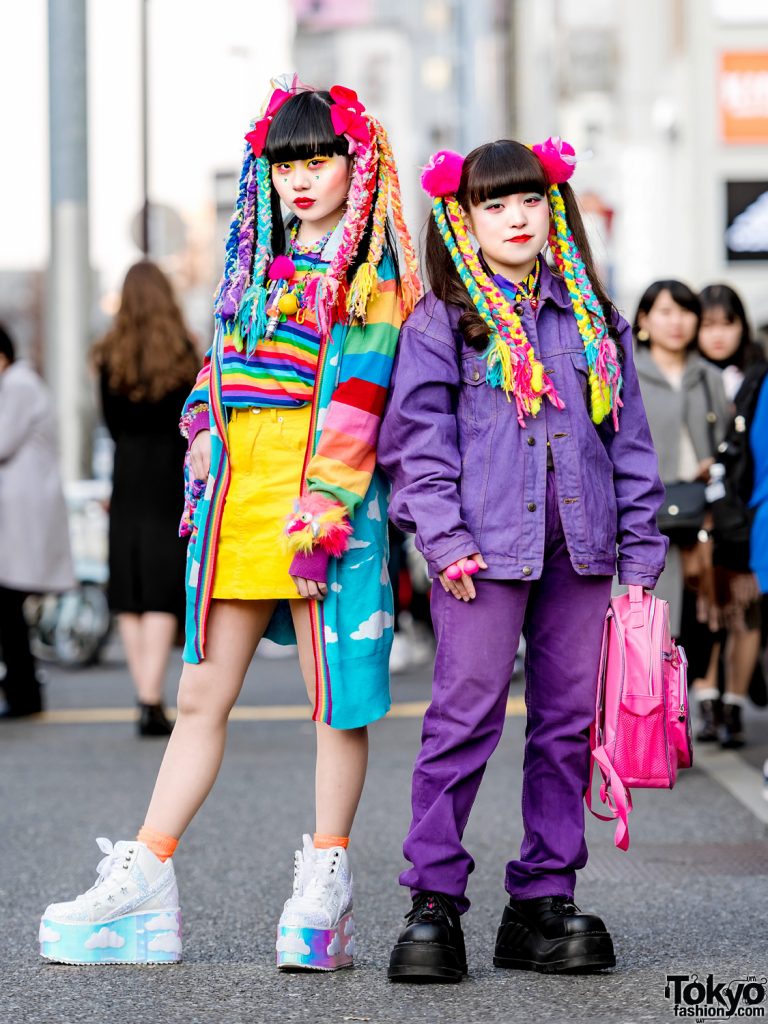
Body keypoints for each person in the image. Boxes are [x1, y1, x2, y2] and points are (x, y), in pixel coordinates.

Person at [39, 76, 419, 970]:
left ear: (355, 166)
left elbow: (362, 395)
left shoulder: (373, 271)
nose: (299, 178)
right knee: (201, 695)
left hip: (325, 504)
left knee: (337, 704)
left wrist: (325, 497)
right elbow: (215, 374)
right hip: (242, 499)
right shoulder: (251, 259)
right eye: (285, 162)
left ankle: (323, 890)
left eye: (319, 159)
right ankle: (147, 877)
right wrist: (205, 431)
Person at [378, 138, 667, 981]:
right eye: (494, 205)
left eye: (529, 201)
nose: (515, 217)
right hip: (480, 555)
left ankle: (542, 901)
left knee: (567, 728)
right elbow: (416, 443)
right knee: (461, 723)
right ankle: (433, 899)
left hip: (584, 551)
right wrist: (443, 536)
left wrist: (640, 556)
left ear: (555, 211)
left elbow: (631, 445)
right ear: (463, 220)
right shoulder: (441, 319)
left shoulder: (594, 319)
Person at [91, 261, 200, 737]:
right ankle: (152, 697)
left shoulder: (107, 356)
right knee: (159, 585)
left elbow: (110, 426)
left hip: (127, 472)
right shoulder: (183, 349)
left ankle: (143, 692)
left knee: (130, 586)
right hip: (168, 475)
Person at [632, 281, 729, 739]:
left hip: (701, 512)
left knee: (699, 620)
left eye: (685, 312)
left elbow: (728, 439)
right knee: (652, 624)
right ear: (644, 321)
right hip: (646, 514)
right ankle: (644, 732)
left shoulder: (707, 374)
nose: (677, 322)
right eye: (665, 312)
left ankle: (681, 721)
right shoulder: (628, 368)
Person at [696, 283, 768, 747]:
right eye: (708, 324)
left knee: (742, 609)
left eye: (728, 323)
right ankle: (705, 700)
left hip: (742, 510)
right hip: (693, 514)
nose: (718, 335)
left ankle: (734, 704)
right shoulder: (691, 374)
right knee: (707, 606)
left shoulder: (757, 377)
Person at [0, 324, 74, 717]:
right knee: (9, 607)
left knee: (8, 605)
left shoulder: (18, 385)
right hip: (23, 511)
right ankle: (21, 690)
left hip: (21, 513)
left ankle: (23, 693)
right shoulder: (22, 383)